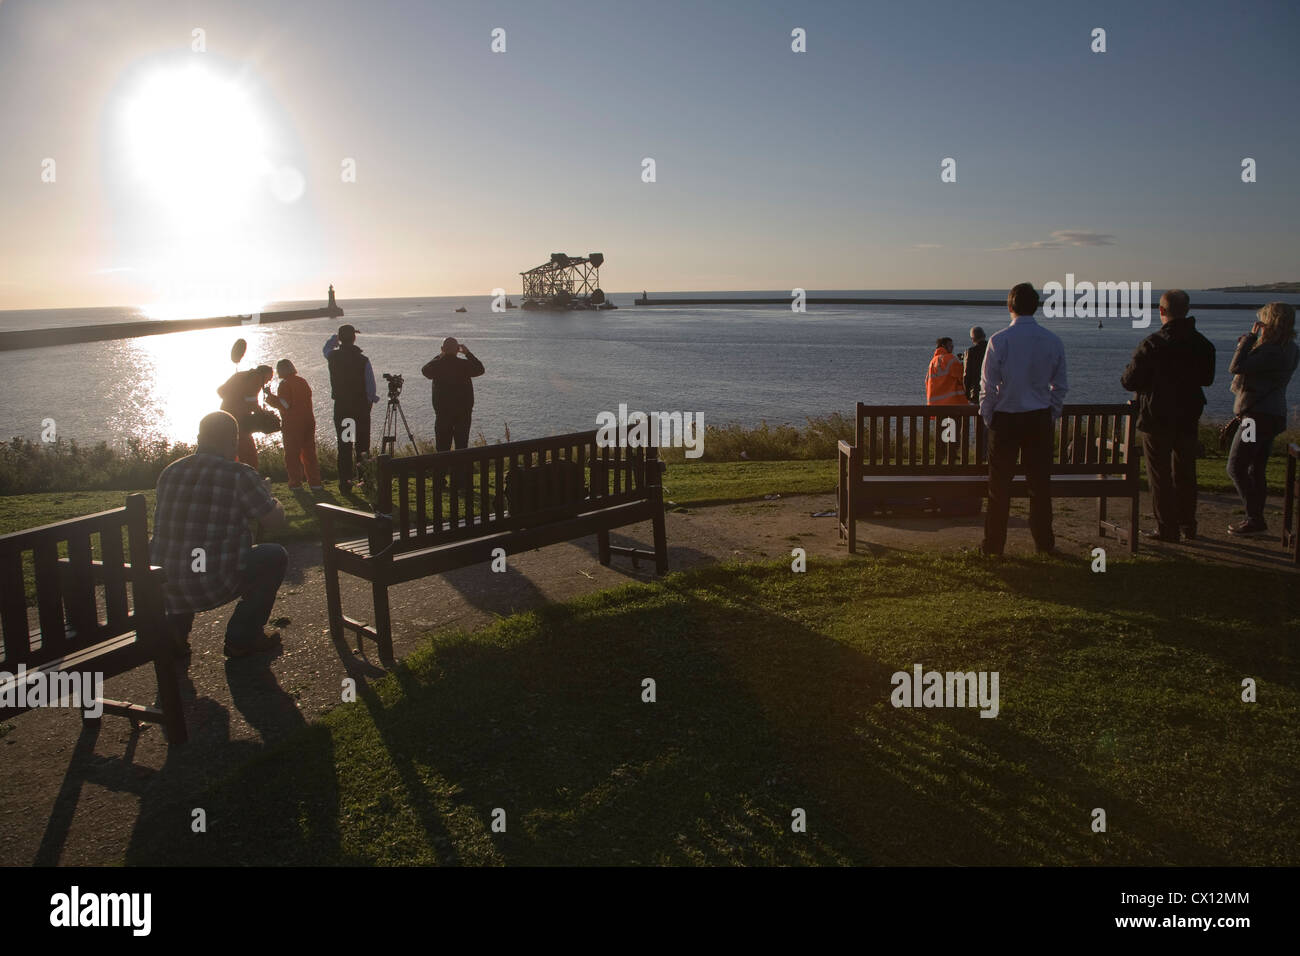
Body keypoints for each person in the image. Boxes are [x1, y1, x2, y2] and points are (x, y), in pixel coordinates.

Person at [151, 411, 288, 658]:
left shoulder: (170, 472)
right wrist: (269, 497)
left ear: (199, 438)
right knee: (274, 556)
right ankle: (242, 637)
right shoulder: (239, 474)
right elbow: (275, 522)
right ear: (233, 441)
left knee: (185, 549)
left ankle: (176, 634)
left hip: (166, 585)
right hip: (212, 583)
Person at [979, 283, 1069, 555]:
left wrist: (989, 418)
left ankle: (993, 545)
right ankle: (1044, 543)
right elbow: (1060, 386)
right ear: (1037, 306)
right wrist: (1050, 412)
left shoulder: (999, 340)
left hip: (1005, 420)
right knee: (1040, 486)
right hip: (1038, 419)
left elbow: (988, 387)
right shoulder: (1052, 341)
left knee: (999, 488)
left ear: (1010, 307)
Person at [1119, 290, 1216, 541]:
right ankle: (1188, 524)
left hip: (1156, 415)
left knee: (1159, 473)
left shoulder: (1153, 343)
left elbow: (1129, 381)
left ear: (1162, 311)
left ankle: (1166, 527)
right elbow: (1207, 378)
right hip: (1188, 414)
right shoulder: (1202, 343)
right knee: (1185, 470)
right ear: (1187, 309)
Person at [1225, 301, 1299, 536]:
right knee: (1256, 469)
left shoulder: (1270, 350)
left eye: (1263, 321)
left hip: (1255, 418)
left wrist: (1247, 341)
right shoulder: (1291, 348)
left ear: (1271, 322)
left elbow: (1236, 367)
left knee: (1236, 466)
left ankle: (1254, 518)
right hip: (1273, 414)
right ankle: (1255, 519)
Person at [322, 324, 379, 492]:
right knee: (363, 447)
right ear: (354, 338)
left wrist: (335, 338)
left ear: (341, 338)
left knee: (345, 446)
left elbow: (326, 348)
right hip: (360, 408)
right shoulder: (363, 360)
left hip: (343, 408)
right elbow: (371, 387)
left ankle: (345, 483)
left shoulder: (332, 356)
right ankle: (365, 481)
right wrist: (368, 404)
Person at [264, 359, 323, 491]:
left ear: (282, 370)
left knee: (292, 454)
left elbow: (285, 405)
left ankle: (295, 483)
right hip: (308, 420)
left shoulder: (285, 384)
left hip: (293, 423)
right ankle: (315, 482)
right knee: (309, 453)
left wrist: (270, 397)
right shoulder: (302, 381)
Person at [421, 337, 485, 451]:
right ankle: (460, 468)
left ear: (442, 349)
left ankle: (443, 468)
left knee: (442, 448)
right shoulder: (464, 365)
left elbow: (425, 370)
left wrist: (439, 356)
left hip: (443, 414)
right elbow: (480, 369)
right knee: (462, 447)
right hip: (463, 414)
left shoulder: (437, 366)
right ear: (457, 349)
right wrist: (468, 353)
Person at [217, 364, 274, 469]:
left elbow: (220, 390)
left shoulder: (240, 375)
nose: (267, 382)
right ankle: (251, 474)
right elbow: (251, 402)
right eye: (268, 378)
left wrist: (233, 398)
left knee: (231, 446)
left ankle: (231, 471)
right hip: (239, 418)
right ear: (264, 374)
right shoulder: (256, 378)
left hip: (225, 414)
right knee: (248, 449)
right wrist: (263, 414)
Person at [964, 327, 988, 404]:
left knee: (978, 413)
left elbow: (967, 374)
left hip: (976, 391)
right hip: (992, 390)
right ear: (984, 335)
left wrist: (967, 392)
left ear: (973, 339)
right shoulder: (992, 349)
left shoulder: (971, 352)